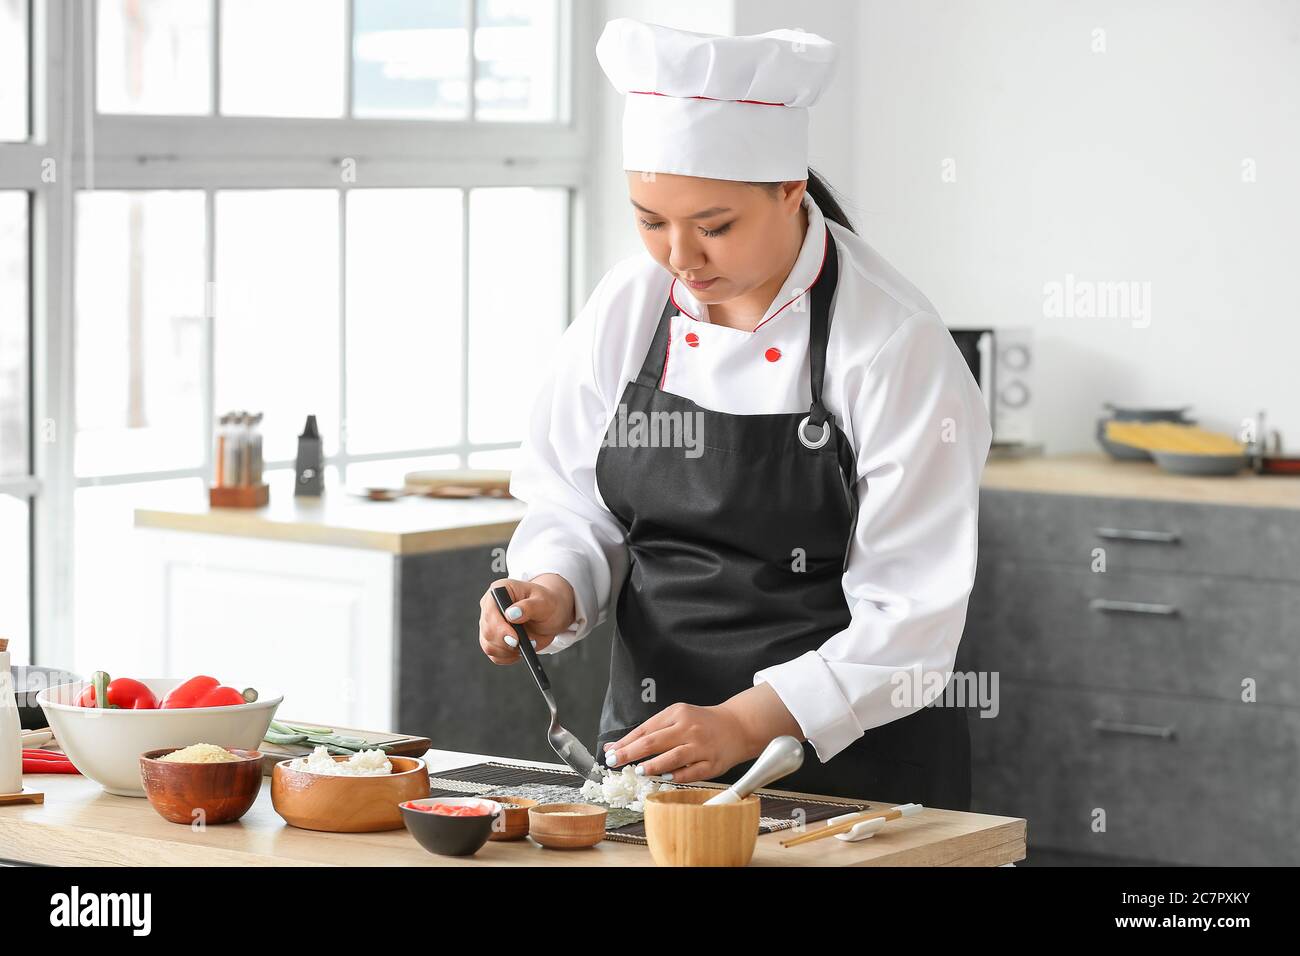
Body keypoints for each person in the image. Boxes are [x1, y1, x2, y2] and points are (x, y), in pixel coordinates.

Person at [476, 18, 991, 808]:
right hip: (651, 754)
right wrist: (553, 586)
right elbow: (574, 500)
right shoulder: (629, 306)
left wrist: (746, 723)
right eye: (650, 221)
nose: (680, 257)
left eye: (713, 226)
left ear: (790, 192)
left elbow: (911, 620)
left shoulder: (891, 343)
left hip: (852, 776)